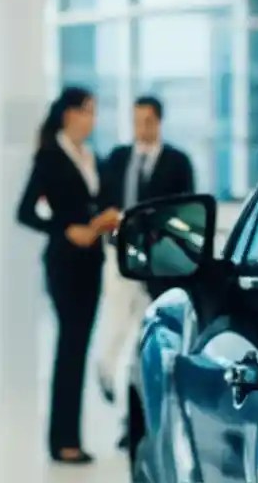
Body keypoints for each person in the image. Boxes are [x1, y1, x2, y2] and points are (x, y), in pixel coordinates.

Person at [16, 87, 121, 465]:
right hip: (64, 262)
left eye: (94, 112)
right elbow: (25, 212)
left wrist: (105, 220)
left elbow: (99, 201)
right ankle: (63, 441)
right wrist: (64, 230)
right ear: (68, 114)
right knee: (69, 349)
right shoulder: (50, 157)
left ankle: (70, 438)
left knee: (78, 348)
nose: (92, 119)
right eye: (87, 111)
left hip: (92, 260)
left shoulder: (93, 157)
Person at [95, 95, 196, 442]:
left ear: (159, 122)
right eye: (137, 120)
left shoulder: (177, 162)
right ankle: (106, 377)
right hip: (119, 258)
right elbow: (104, 201)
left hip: (157, 266)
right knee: (114, 331)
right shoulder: (118, 158)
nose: (142, 128)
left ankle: (132, 420)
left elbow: (184, 211)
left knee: (144, 338)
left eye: (148, 121)